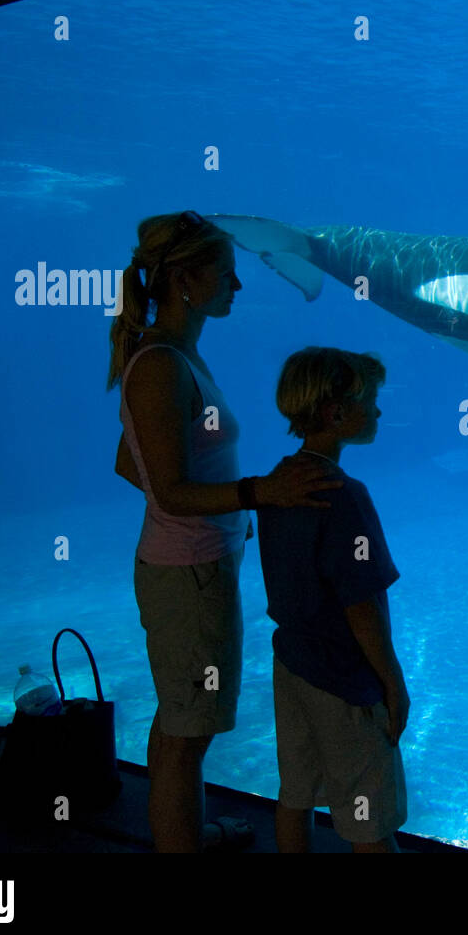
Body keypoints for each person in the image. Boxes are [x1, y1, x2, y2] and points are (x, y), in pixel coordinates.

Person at [106, 210, 343, 853]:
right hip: (189, 578)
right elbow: (172, 488)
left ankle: (189, 830)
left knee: (181, 724)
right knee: (188, 734)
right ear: (187, 279)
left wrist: (223, 519)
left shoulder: (174, 355)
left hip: (195, 563)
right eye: (228, 274)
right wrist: (255, 497)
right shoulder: (161, 364)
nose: (238, 286)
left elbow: (135, 464)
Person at [256, 347, 410, 853]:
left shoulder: (279, 485)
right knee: (367, 818)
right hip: (345, 681)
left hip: (293, 666)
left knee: (295, 795)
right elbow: (360, 606)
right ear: (335, 412)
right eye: (370, 400)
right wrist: (392, 683)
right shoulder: (344, 496)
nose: (379, 411)